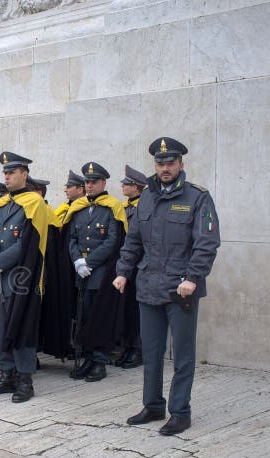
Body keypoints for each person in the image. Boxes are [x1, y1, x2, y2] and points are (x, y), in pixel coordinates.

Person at [114, 137, 220, 436]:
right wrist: (123, 271)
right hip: (148, 286)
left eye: (170, 163)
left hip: (181, 289)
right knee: (151, 351)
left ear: (181, 165)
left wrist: (192, 278)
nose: (165, 168)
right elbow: (133, 240)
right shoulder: (146, 197)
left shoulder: (198, 197)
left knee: (183, 354)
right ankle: (153, 405)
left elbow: (207, 243)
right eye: (160, 163)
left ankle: (180, 412)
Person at [0, 152, 49, 403]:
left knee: (22, 327)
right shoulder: (1, 205)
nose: (7, 177)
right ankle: (6, 373)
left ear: (24, 174)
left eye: (11, 172)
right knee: (1, 328)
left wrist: (1, 260)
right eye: (5, 173)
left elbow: (28, 243)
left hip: (21, 277)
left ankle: (24, 380)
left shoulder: (34, 204)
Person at [66, 162, 127, 382]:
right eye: (87, 182)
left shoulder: (112, 207)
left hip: (102, 272)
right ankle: (88, 358)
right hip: (81, 272)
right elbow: (71, 238)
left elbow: (113, 241)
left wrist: (88, 262)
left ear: (103, 183)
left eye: (94, 182)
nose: (89, 186)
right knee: (83, 316)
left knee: (99, 317)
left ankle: (99, 361)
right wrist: (77, 261)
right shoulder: (79, 208)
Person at [115, 165, 148, 369]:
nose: (122, 186)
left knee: (138, 311)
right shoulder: (125, 208)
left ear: (136, 187)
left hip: (140, 266)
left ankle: (138, 349)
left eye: (126, 184)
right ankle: (127, 347)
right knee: (126, 310)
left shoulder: (143, 207)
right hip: (126, 266)